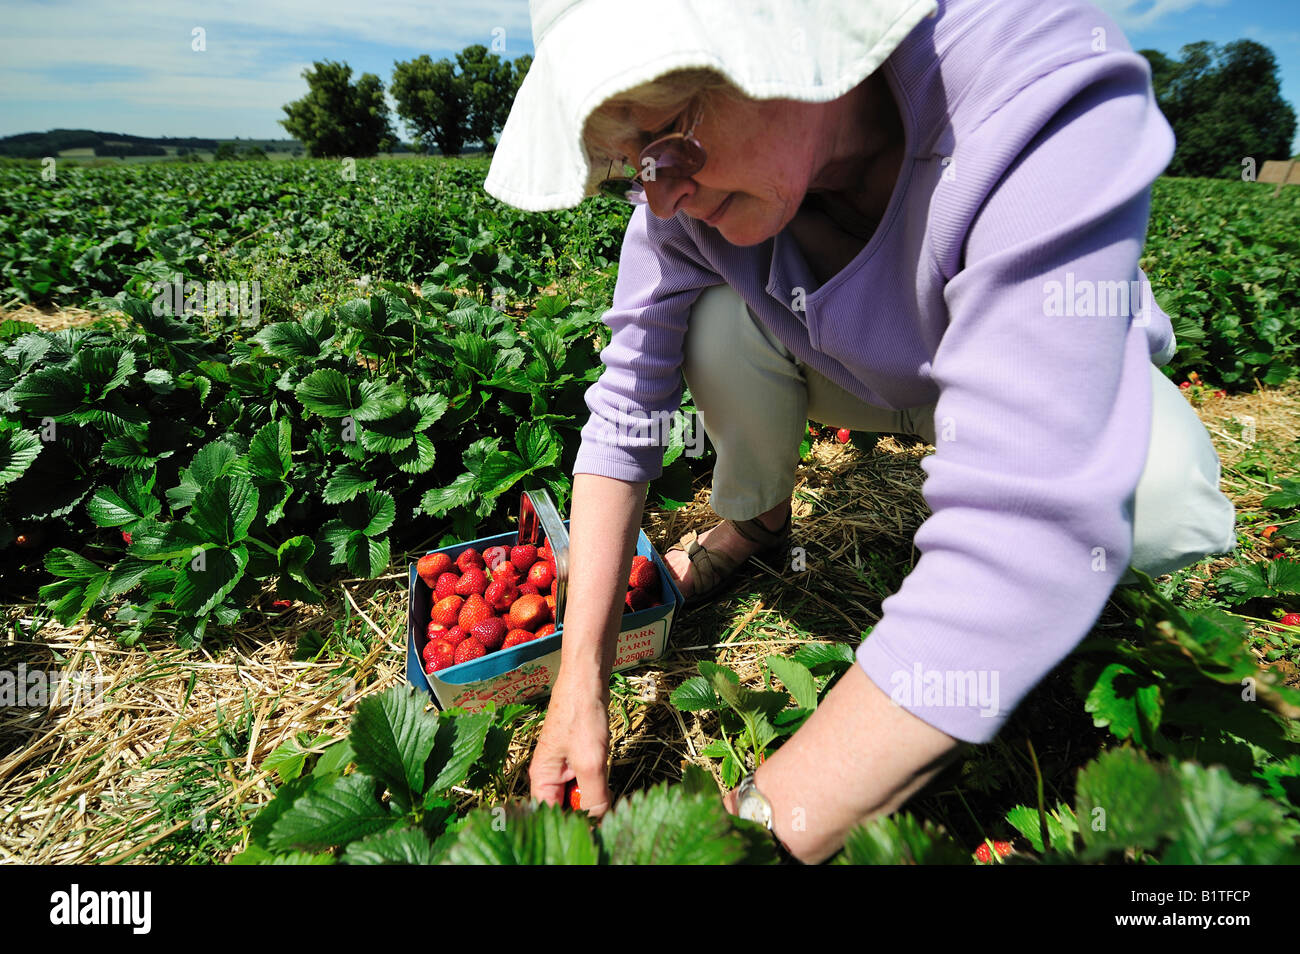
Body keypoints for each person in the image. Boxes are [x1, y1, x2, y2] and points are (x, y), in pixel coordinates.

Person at [484, 0, 1237, 863]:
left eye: (668, 144)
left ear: (779, 42)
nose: (658, 194)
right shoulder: (682, 209)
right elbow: (626, 412)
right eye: (630, 167)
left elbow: (1030, 516)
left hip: (1033, 375)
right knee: (712, 325)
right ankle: (761, 526)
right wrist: (583, 671)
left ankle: (1081, 615)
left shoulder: (1029, 74)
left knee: (1159, 495)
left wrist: (749, 833)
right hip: (857, 374)